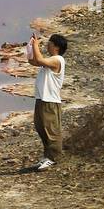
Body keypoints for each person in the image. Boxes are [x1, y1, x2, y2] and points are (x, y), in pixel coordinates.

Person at [27, 32, 68, 171]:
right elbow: (33, 61)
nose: (47, 45)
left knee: (51, 130)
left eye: (50, 43)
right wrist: (31, 47)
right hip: (42, 99)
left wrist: (36, 45)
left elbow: (38, 59)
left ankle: (54, 158)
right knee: (41, 128)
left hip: (51, 100)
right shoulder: (50, 60)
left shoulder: (58, 60)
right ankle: (47, 155)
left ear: (56, 47)